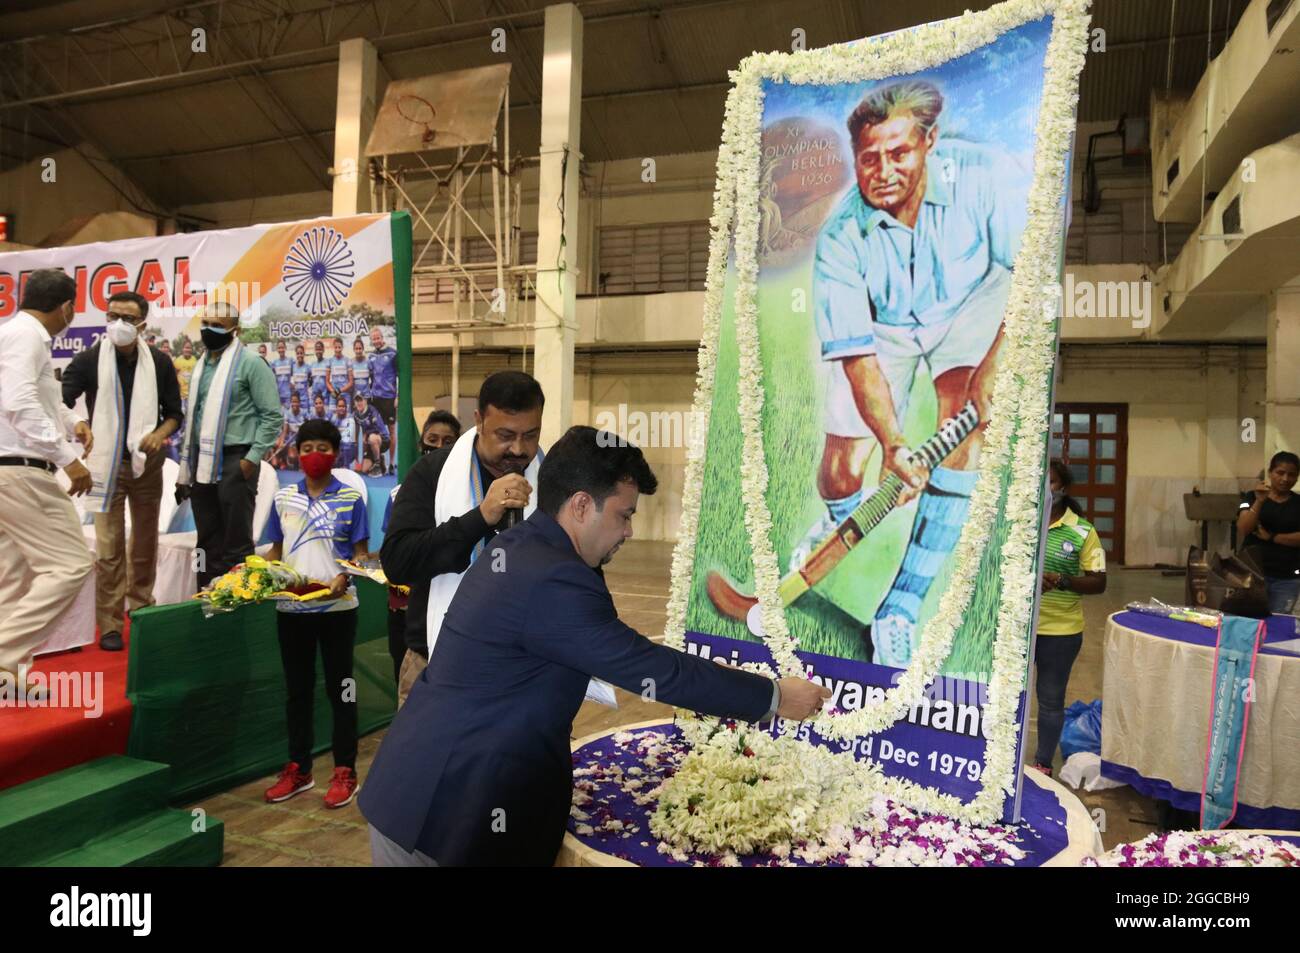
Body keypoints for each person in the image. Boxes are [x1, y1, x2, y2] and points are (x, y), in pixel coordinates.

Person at [360, 425, 832, 866]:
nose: (629, 531)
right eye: (624, 514)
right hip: (446, 811)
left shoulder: (523, 545)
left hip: (425, 787)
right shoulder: (552, 575)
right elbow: (652, 668)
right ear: (582, 505)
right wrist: (774, 697)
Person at [793, 79, 1028, 667]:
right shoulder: (842, 236)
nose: (883, 170)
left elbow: (1031, 278)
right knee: (843, 469)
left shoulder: (986, 177)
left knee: (964, 430)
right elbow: (857, 356)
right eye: (869, 158)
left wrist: (992, 367)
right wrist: (894, 444)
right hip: (886, 328)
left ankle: (898, 609)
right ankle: (841, 536)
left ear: (930, 142)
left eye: (899, 152)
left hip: (974, 300)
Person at [380, 372, 545, 708]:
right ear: (479, 421)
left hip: (524, 666)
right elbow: (397, 562)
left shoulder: (551, 476)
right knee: (427, 761)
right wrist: (480, 517)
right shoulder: (434, 473)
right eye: (505, 435)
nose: (518, 448)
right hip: (435, 660)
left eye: (530, 435)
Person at [61, 291, 184, 651]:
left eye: (127, 319)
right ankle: (110, 623)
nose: (118, 324)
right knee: (109, 547)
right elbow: (61, 401)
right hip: (104, 463)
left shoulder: (159, 362)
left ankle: (142, 609)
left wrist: (158, 436)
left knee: (145, 542)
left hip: (147, 463)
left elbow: (175, 413)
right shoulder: (88, 360)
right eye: (112, 316)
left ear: (142, 324)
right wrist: (79, 423)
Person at [262, 418, 369, 810]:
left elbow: (361, 554)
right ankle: (299, 769)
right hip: (291, 609)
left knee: (341, 691)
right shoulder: (283, 499)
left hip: (338, 609)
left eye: (321, 448)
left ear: (335, 453)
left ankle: (345, 771)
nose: (313, 456)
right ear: (297, 453)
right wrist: (261, 576)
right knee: (297, 692)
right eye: (305, 449)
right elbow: (275, 550)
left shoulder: (351, 499)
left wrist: (347, 573)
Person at [0, 269, 95, 689]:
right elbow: (18, 402)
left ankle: (7, 675)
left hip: (10, 470)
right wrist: (67, 458)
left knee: (15, 575)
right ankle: (2, 653)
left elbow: (40, 398)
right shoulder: (26, 337)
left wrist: (73, 421)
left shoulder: (19, 333)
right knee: (71, 564)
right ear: (66, 307)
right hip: (23, 469)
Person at [176, 302, 283, 588]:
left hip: (237, 459)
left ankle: (238, 599)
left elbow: (272, 417)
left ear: (235, 330)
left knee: (236, 539)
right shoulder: (200, 366)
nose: (209, 329)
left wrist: (252, 458)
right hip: (202, 462)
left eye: (218, 325)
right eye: (205, 322)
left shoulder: (251, 363)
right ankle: (203, 591)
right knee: (206, 538)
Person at [1030, 460, 1106, 777]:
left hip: (1060, 633)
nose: (1044, 487)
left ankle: (1043, 764)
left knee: (1049, 701)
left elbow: (1099, 580)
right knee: (1006, 697)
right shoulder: (1020, 523)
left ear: (1062, 488)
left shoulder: (1083, 531)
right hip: (1015, 631)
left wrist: (1062, 580)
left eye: (1050, 482)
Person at [382, 410, 462, 683]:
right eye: (432, 440)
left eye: (448, 442)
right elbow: (393, 552)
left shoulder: (469, 497)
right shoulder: (401, 493)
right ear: (421, 445)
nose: (439, 448)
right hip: (407, 610)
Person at [1237, 451, 1300, 613]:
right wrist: (1259, 501)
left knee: (1278, 622)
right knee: (1248, 621)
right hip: (1252, 574)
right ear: (1270, 472)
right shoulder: (1251, 497)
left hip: (1287, 577)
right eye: (1280, 473)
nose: (1285, 479)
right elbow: (1244, 528)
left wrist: (1272, 537)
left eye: (1292, 475)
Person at [368, 326, 399, 470]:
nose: (376, 341)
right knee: (377, 431)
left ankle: (392, 463)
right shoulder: (371, 356)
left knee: (392, 431)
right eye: (373, 339)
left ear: (382, 338)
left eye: (378, 338)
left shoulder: (393, 353)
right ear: (371, 340)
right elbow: (371, 377)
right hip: (376, 399)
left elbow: (400, 376)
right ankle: (381, 461)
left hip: (389, 398)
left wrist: (397, 396)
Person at [353, 393, 391, 476]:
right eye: (357, 401)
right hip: (370, 441)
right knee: (364, 470)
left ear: (366, 401)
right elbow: (357, 431)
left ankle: (377, 465)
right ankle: (381, 460)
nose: (359, 403)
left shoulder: (372, 410)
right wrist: (355, 441)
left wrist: (365, 434)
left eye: (361, 400)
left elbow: (377, 429)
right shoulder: (356, 414)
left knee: (372, 438)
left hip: (383, 440)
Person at [274, 391, 306, 469]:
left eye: (296, 402)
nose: (294, 404)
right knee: (292, 456)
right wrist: (282, 442)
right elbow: (285, 431)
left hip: (301, 442)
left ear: (299, 402)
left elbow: (307, 429)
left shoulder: (304, 413)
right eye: (293, 402)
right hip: (292, 442)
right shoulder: (288, 413)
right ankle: (284, 460)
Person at [332, 395, 358, 470]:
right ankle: (338, 461)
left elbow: (351, 438)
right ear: (336, 407)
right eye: (339, 406)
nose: (341, 408)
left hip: (349, 448)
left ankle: (346, 466)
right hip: (338, 447)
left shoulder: (350, 419)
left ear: (346, 408)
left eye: (343, 406)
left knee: (346, 441)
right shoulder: (333, 419)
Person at [326, 337, 353, 402]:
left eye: (339, 347)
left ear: (342, 347)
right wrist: (334, 392)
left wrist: (340, 391)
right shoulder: (330, 361)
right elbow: (327, 381)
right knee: (333, 412)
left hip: (345, 394)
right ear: (333, 347)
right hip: (334, 395)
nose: (337, 349)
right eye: (336, 347)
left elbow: (351, 382)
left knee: (346, 412)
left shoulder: (347, 360)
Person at [271, 340, 293, 409]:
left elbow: (294, 373)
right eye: (279, 348)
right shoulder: (274, 363)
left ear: (285, 348)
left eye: (282, 347)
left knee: (287, 415)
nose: (281, 349)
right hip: (278, 394)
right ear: (277, 349)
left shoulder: (290, 360)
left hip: (288, 394)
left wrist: (292, 384)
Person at [289, 343, 311, 412]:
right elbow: (287, 378)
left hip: (305, 400)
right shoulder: (293, 366)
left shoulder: (308, 367)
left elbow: (312, 381)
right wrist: (292, 386)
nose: (300, 355)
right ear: (296, 354)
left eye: (301, 353)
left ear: (304, 354)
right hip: (295, 401)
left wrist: (308, 387)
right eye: (298, 353)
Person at [308, 339, 330, 407]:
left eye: (320, 349)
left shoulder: (328, 363)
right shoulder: (312, 365)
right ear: (315, 351)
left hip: (325, 398)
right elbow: (309, 382)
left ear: (323, 350)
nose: (318, 351)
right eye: (317, 349)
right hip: (314, 398)